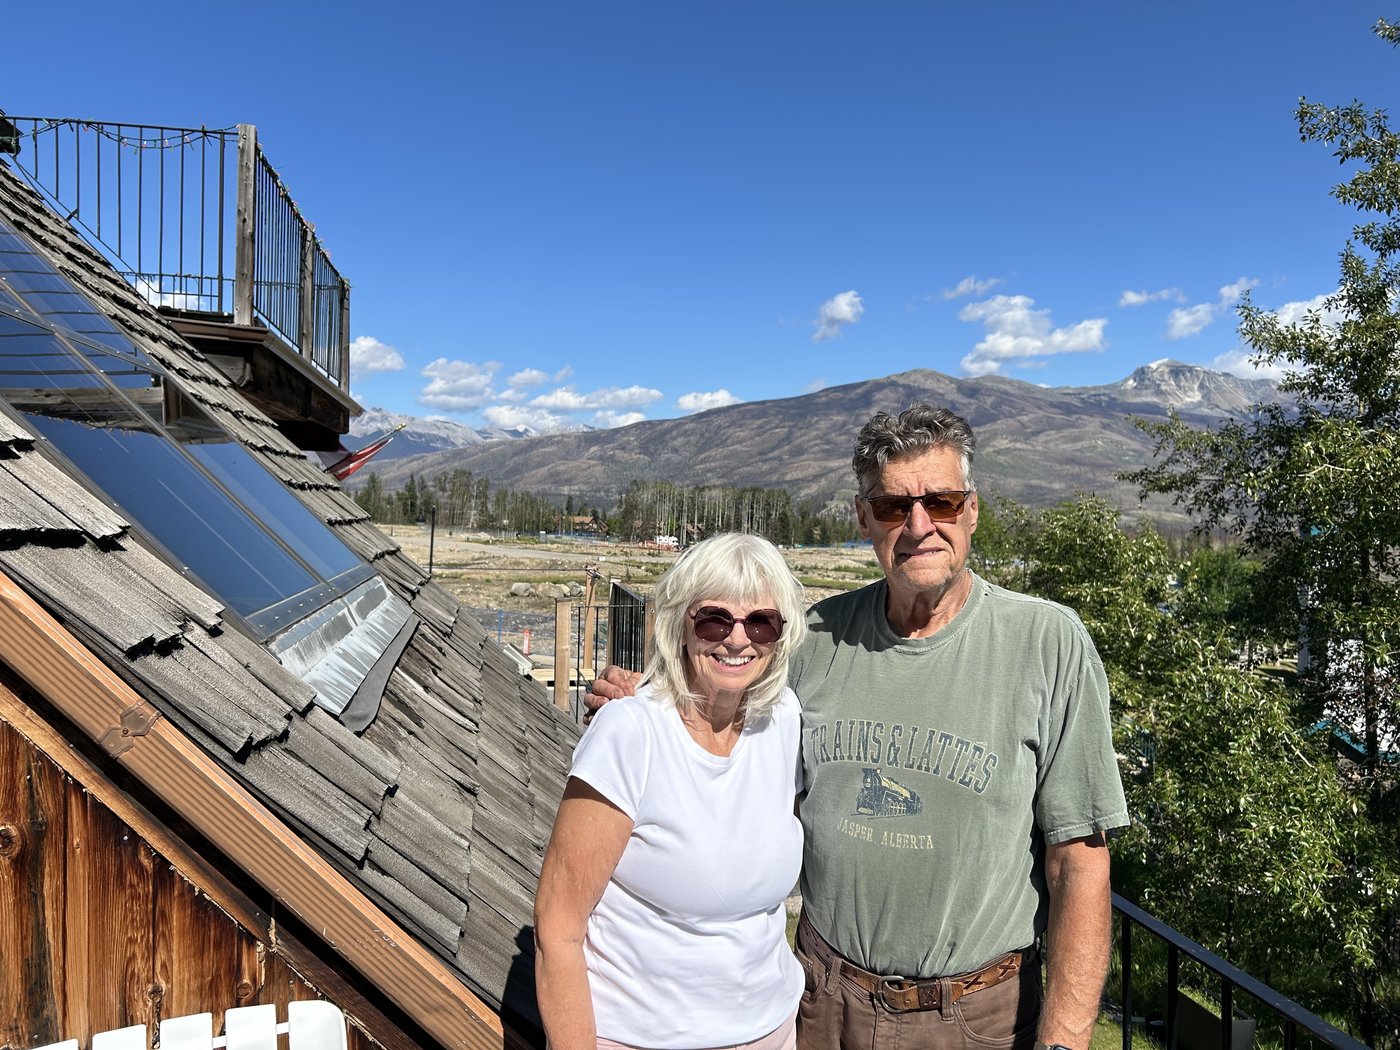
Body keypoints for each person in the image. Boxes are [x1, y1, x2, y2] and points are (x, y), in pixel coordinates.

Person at [587, 403, 1128, 1050]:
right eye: (895, 507)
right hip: (821, 1003)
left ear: (973, 510)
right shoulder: (813, 638)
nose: (920, 526)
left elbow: (1079, 862)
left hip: (977, 1018)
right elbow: (727, 731)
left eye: (943, 502)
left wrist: (1064, 1039)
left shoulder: (1046, 642)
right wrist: (652, 703)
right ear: (864, 517)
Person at [534, 532, 810, 1050]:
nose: (737, 639)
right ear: (679, 625)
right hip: (641, 1038)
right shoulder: (630, 733)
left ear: (781, 635)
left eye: (761, 622)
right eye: (714, 619)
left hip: (769, 1031)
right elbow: (558, 926)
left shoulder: (783, 721)